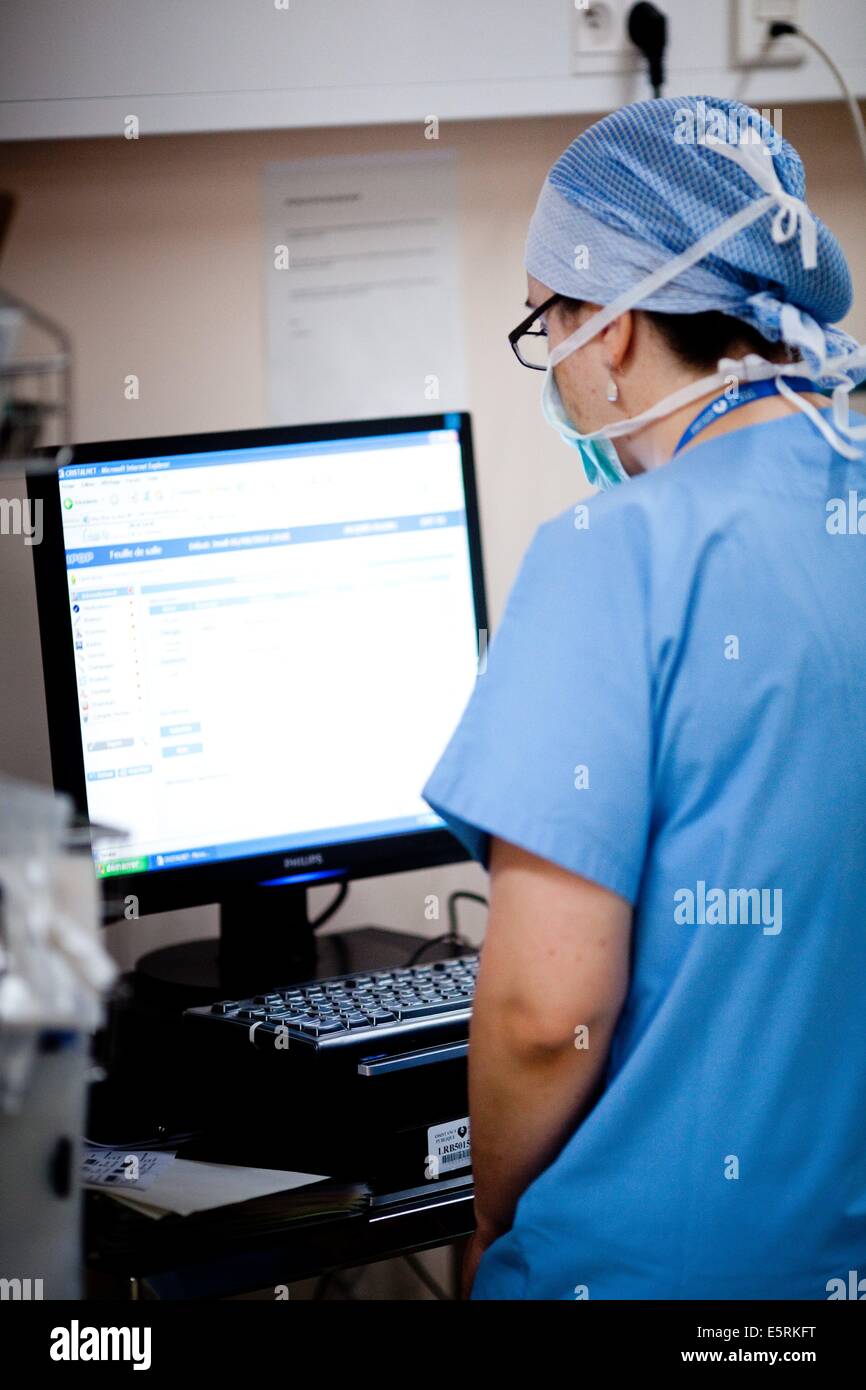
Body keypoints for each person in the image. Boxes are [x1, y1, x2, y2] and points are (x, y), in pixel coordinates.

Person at [421, 96, 866, 1300]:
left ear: (607, 327)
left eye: (543, 321)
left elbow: (537, 1012)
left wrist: (491, 1223)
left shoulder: (609, 556)